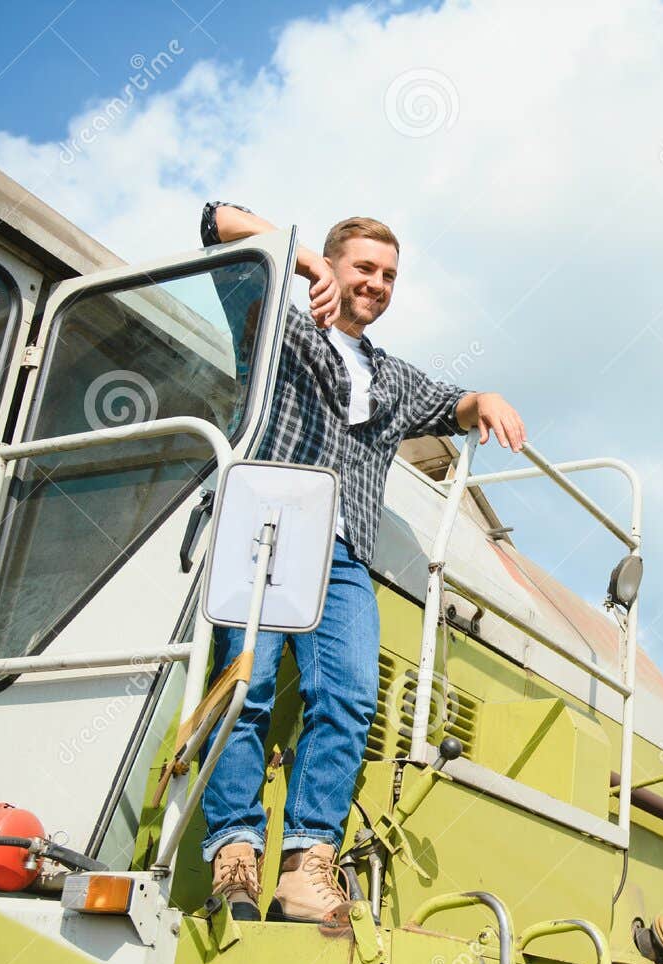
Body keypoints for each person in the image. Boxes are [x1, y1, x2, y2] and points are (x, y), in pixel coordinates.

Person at [198, 201, 526, 923]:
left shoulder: (392, 377)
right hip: (269, 528)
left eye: (389, 275)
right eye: (364, 268)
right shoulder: (277, 326)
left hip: (345, 554)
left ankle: (307, 862)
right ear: (332, 264)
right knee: (246, 690)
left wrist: (487, 397)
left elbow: (455, 401)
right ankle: (233, 848)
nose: (377, 283)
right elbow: (214, 221)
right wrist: (300, 258)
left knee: (348, 698)